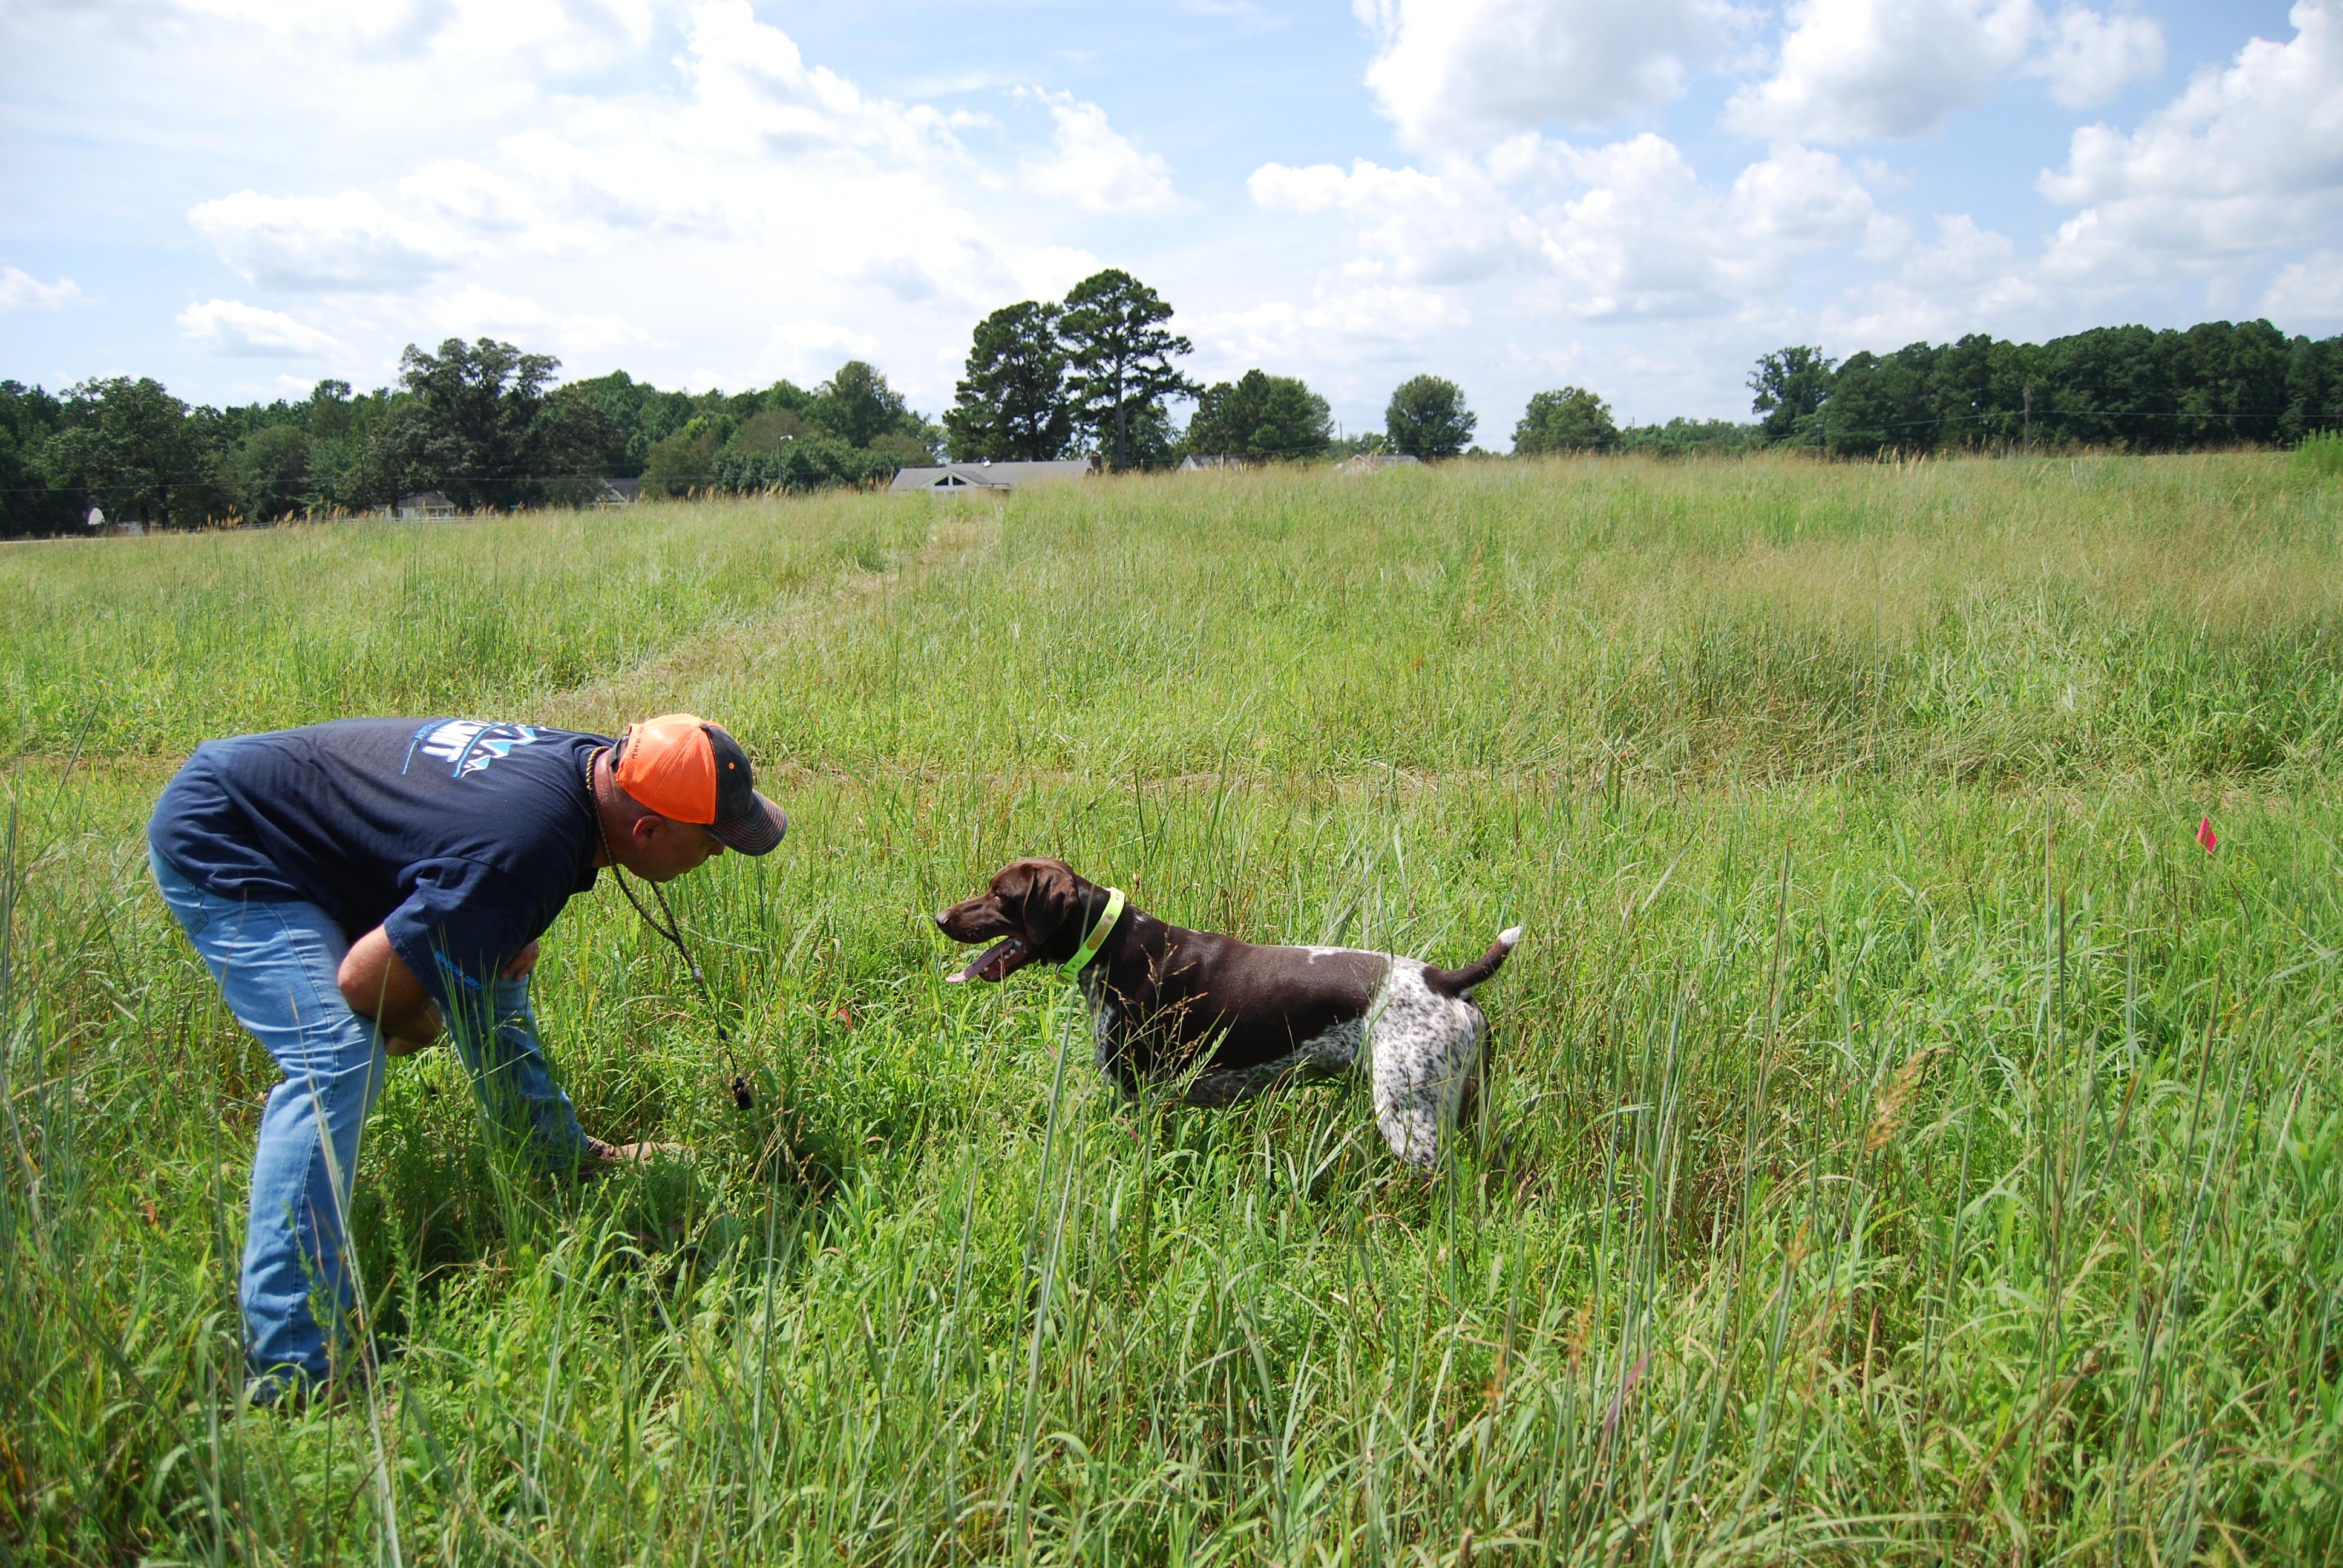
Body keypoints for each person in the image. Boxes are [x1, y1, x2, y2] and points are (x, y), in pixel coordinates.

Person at [145, 713, 787, 1402]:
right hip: (233, 833)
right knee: (336, 1055)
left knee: (491, 955)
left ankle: (554, 1156)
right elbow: (368, 984)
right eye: (712, 842)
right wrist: (418, 1019)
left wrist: (475, 937)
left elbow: (471, 869)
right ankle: (296, 1368)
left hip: (308, 822)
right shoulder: (527, 845)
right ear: (647, 831)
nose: (717, 856)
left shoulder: (587, 769)